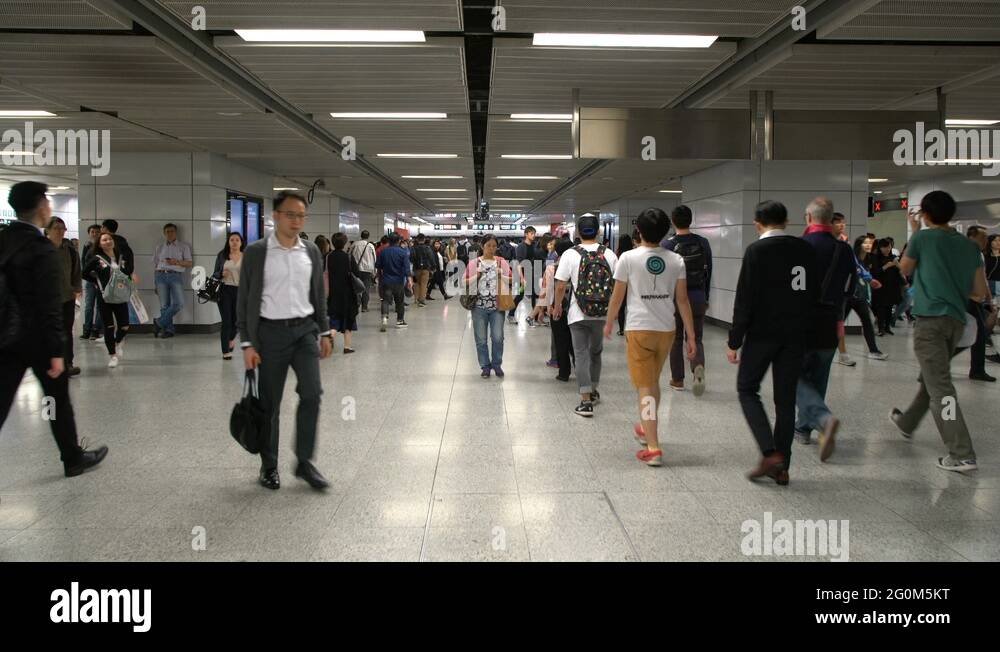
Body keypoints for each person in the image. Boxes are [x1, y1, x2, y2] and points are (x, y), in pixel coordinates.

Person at [0, 181, 108, 477]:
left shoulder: (3, 239)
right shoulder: (41, 249)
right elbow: (49, 305)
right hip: (37, 339)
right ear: (40, 206)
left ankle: (73, 456)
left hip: (6, 337)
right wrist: (57, 351)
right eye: (46, 201)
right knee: (56, 399)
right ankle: (72, 458)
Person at [237, 191, 332, 491]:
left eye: (301, 215)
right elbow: (244, 300)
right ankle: (269, 465)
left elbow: (318, 296)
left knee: (313, 393)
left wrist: (326, 331)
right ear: (275, 216)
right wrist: (247, 343)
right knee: (269, 404)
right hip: (270, 334)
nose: (296, 220)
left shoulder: (311, 253)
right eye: (290, 214)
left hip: (304, 331)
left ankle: (304, 462)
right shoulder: (256, 252)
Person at [890, 191, 988, 472]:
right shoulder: (970, 247)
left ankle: (962, 452)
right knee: (933, 378)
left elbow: (905, 269)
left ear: (926, 214)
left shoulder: (922, 237)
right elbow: (980, 292)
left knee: (941, 388)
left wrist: (916, 233)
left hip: (931, 320)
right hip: (957, 322)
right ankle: (907, 423)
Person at [727, 200, 818, 486]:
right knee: (785, 400)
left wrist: (734, 340)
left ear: (757, 222)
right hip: (796, 335)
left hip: (762, 335)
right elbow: (813, 293)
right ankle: (784, 465)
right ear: (787, 221)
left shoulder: (757, 251)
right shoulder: (805, 249)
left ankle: (770, 453)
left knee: (747, 388)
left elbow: (745, 300)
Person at [604, 208, 696, 466]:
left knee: (645, 387)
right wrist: (691, 335)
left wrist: (609, 322)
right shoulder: (676, 260)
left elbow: (617, 296)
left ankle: (653, 447)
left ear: (639, 232)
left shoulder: (628, 259)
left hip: (639, 328)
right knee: (653, 381)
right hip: (667, 329)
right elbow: (683, 300)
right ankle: (646, 427)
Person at [794, 198, 856, 460]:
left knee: (791, 374)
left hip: (801, 320)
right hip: (830, 320)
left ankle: (821, 418)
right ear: (831, 220)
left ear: (808, 217)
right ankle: (803, 427)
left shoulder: (799, 247)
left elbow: (790, 288)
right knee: (819, 375)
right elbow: (851, 287)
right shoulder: (843, 250)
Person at [553, 215, 618, 417]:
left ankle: (585, 400)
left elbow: (561, 285)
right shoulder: (609, 254)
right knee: (596, 353)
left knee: (580, 354)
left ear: (578, 233)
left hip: (577, 312)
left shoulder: (570, 255)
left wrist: (557, 307)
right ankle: (594, 390)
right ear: (598, 231)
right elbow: (617, 286)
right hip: (602, 314)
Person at [663, 205, 712, 396]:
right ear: (690, 220)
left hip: (675, 298)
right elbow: (708, 272)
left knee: (675, 339)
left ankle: (677, 380)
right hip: (698, 296)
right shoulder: (703, 243)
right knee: (696, 337)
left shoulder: (667, 245)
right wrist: (705, 296)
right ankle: (697, 367)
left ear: (673, 221)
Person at [464, 235, 513, 378]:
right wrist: (477, 276)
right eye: (488, 246)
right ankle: (485, 366)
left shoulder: (501, 262)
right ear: (482, 246)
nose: (491, 249)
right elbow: (464, 282)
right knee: (481, 339)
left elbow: (511, 279)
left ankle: (496, 364)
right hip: (478, 307)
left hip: (497, 306)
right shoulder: (474, 263)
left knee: (498, 337)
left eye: (494, 246)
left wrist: (501, 275)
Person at [84, 232, 133, 367]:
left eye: (110, 239)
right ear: (99, 244)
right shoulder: (97, 259)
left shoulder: (120, 257)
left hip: (120, 295)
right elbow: (84, 273)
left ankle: (118, 343)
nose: (108, 241)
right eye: (104, 240)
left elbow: (127, 271)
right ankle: (112, 355)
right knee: (109, 326)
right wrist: (96, 281)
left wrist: (130, 277)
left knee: (125, 326)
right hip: (104, 296)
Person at [45, 217, 82, 376]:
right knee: (49, 331)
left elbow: (76, 272)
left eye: (63, 228)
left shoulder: (69, 250)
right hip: (46, 298)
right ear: (47, 230)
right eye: (56, 228)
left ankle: (67, 363)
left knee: (66, 331)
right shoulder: (41, 249)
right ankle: (49, 363)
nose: (60, 231)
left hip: (67, 296)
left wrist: (76, 289)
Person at [964, 225, 995, 382]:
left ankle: (977, 369)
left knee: (974, 335)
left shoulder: (978, 254)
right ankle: (977, 370)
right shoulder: (965, 253)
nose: (985, 241)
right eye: (982, 237)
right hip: (968, 299)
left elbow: (983, 278)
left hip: (976, 300)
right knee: (978, 334)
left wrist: (989, 299)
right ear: (971, 237)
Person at [151, 223, 193, 338]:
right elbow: (155, 265)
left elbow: (189, 263)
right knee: (164, 305)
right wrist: (155, 283)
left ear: (176, 232)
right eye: (167, 231)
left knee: (179, 303)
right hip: (160, 276)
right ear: (164, 233)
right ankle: (168, 330)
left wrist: (176, 262)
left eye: (172, 231)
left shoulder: (183, 246)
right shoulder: (159, 247)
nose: (170, 233)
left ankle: (159, 322)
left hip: (175, 275)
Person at [326, 232, 360, 354]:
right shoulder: (349, 257)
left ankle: (330, 336)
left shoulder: (328, 257)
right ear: (345, 243)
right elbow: (356, 273)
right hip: (347, 293)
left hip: (333, 293)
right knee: (348, 320)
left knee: (334, 319)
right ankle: (347, 346)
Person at [213, 232, 244, 360]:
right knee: (226, 322)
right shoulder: (222, 255)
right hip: (225, 290)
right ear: (228, 242)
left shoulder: (246, 256)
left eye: (237, 240)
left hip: (241, 291)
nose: (235, 242)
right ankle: (225, 351)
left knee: (236, 321)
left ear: (241, 242)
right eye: (232, 240)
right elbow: (214, 273)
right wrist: (221, 274)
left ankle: (231, 338)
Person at [548, 240, 576, 380]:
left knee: (560, 340)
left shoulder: (552, 267)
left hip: (557, 306)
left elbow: (549, 291)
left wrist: (547, 308)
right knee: (575, 341)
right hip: (576, 307)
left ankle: (564, 372)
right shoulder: (579, 265)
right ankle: (581, 367)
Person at [375, 232, 413, 331]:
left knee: (385, 300)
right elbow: (406, 268)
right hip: (398, 281)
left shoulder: (384, 252)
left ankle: (384, 317)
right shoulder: (403, 252)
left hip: (386, 280)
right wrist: (409, 280)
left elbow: (378, 266)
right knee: (399, 301)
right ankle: (400, 321)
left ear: (389, 240)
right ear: (399, 241)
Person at [872, 238, 905, 336]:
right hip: (880, 287)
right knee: (881, 308)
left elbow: (901, 271)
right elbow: (874, 273)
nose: (887, 249)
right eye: (884, 247)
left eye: (889, 247)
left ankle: (887, 327)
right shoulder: (876, 258)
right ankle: (881, 328)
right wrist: (886, 266)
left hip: (892, 287)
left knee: (889, 308)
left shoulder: (894, 257)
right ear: (880, 247)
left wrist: (897, 264)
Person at [79, 223, 104, 341]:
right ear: (89, 234)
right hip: (90, 280)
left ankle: (96, 330)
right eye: (92, 232)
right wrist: (90, 277)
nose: (94, 234)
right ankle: (87, 330)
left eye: (97, 232)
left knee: (100, 306)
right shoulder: (86, 246)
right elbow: (83, 264)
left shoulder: (103, 245)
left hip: (101, 281)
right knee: (89, 306)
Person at [509, 226, 538, 325]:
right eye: (531, 233)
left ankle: (534, 317)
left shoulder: (534, 245)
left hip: (532, 274)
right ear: (526, 234)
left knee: (535, 294)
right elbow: (519, 264)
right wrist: (522, 278)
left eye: (534, 233)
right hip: (523, 275)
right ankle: (511, 314)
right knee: (520, 295)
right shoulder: (521, 247)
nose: (534, 235)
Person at [348, 230, 377, 312]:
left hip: (356, 269)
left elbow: (349, 256)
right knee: (366, 289)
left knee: (356, 287)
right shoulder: (370, 246)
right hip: (367, 270)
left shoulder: (354, 244)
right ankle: (364, 307)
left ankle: (357, 303)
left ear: (361, 236)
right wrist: (375, 271)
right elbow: (374, 259)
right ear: (368, 236)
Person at [613, 234, 634, 336]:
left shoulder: (618, 254)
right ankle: (630, 328)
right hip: (632, 283)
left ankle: (621, 330)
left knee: (621, 308)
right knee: (631, 307)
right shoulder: (633, 253)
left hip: (622, 283)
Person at [410, 234, 434, 307]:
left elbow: (411, 258)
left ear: (417, 239)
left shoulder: (413, 248)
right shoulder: (428, 248)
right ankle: (421, 301)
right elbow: (431, 258)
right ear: (424, 240)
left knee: (417, 283)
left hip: (416, 268)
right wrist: (433, 267)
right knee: (424, 284)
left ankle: (416, 299)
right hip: (426, 268)